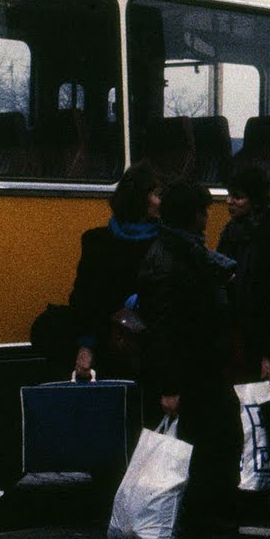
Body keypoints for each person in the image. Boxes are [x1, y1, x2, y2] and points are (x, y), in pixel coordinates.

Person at [137, 180, 241, 539]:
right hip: (189, 371)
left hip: (202, 366)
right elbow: (163, 329)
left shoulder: (187, 251)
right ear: (191, 215)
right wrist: (169, 386)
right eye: (202, 212)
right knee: (208, 444)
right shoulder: (169, 259)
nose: (206, 219)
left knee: (213, 441)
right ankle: (203, 521)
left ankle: (209, 517)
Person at [68, 162, 162, 380]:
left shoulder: (167, 242)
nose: (163, 202)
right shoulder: (97, 242)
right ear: (139, 197)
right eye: (158, 194)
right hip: (107, 338)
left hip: (152, 342)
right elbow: (85, 298)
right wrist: (86, 346)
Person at [217, 166, 270, 379]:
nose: (229, 201)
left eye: (238, 197)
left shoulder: (265, 234)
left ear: (255, 201)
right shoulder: (231, 230)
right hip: (236, 321)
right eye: (230, 195)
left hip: (256, 325)